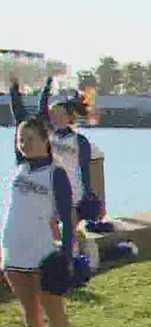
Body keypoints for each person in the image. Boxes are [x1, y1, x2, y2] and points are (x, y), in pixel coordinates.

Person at [3, 117, 74, 327]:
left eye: (31, 138)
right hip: (14, 251)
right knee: (29, 311)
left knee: (53, 310)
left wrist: (66, 255)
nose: (25, 144)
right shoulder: (19, 170)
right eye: (21, 139)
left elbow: (67, 218)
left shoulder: (56, 174)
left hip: (43, 252)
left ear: (45, 140)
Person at [8, 77, 96, 241]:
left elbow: (85, 170)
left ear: (70, 117)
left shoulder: (80, 142)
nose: (56, 118)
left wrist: (88, 194)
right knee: (48, 235)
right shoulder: (46, 134)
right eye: (53, 114)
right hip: (49, 192)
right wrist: (46, 86)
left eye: (60, 114)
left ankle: (74, 258)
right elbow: (27, 113)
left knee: (68, 235)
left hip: (73, 195)